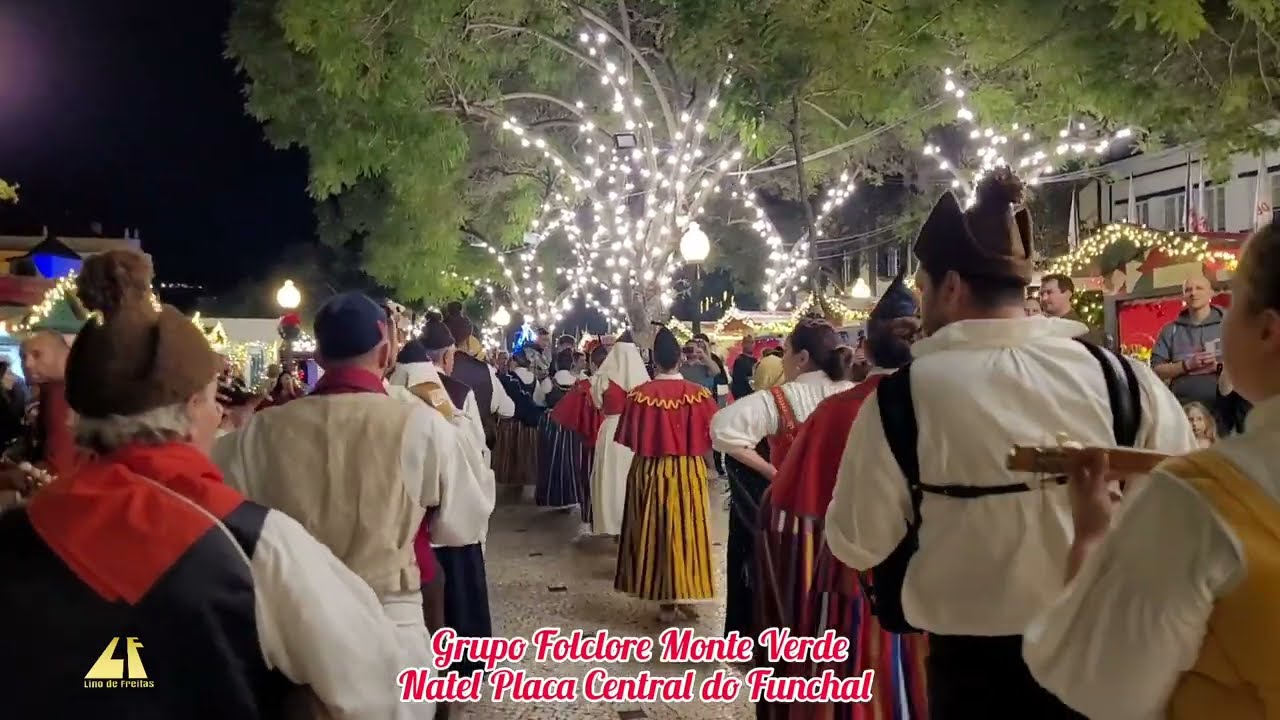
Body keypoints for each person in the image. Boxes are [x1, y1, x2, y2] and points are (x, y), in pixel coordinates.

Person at [824, 168, 1197, 718]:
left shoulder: (903, 399)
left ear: (950, 286)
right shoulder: (1120, 377)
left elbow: (858, 542)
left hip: (973, 674)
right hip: (1108, 653)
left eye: (923, 288)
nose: (922, 303)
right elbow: (1186, 507)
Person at [0, 249, 419, 719]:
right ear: (190, 409)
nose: (221, 412)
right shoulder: (253, 544)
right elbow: (383, 690)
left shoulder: (15, 535)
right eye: (211, 398)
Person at [1023, 222, 1280, 719]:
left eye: (1234, 300)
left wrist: (1092, 539)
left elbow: (1098, 684)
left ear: (1268, 330)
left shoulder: (1199, 500)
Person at [213, 291, 489, 707]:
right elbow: (462, 524)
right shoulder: (420, 425)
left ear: (319, 356)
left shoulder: (259, 432)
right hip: (391, 624)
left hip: (294, 632)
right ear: (385, 352)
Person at [755, 271, 928, 720]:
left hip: (857, 573)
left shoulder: (840, 408)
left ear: (865, 350)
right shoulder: (946, 399)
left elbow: (788, 497)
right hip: (937, 574)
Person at [711, 318, 855, 639]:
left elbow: (722, 430)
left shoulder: (780, 399)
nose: (783, 360)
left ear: (802, 358)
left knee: (795, 599)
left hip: (796, 521)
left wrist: (773, 473)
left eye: (786, 352)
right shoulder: (855, 394)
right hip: (849, 519)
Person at [387, 325, 495, 686]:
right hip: (448, 519)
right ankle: (461, 667)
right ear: (447, 357)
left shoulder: (384, 394)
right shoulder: (455, 394)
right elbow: (476, 448)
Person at [613, 325, 718, 622]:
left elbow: (630, 439)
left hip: (649, 469)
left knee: (655, 531)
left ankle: (665, 599)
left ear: (654, 360)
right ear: (681, 360)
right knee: (688, 531)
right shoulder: (699, 395)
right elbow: (712, 439)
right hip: (688, 471)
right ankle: (686, 591)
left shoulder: (639, 396)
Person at [585, 333, 649, 538]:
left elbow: (597, 404)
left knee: (612, 477)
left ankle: (613, 524)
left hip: (612, 430)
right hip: (637, 432)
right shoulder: (644, 382)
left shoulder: (603, 378)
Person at [550, 344, 608, 537]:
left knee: (588, 478)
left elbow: (564, 414)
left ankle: (589, 519)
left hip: (590, 441)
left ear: (592, 363)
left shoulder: (585, 386)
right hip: (617, 440)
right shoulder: (620, 384)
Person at [1151, 273, 1226, 423]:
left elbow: (1249, 365)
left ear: (1211, 292)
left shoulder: (1229, 325)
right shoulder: (1170, 330)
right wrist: (1187, 365)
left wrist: (1217, 367)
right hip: (1182, 413)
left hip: (1224, 411)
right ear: (1183, 296)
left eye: (1199, 288)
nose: (1193, 293)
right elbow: (1155, 370)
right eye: (1188, 290)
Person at [449, 316, 513, 454]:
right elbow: (507, 410)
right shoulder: (484, 370)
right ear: (468, 340)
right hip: (475, 451)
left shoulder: (430, 368)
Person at [534, 348, 582, 510]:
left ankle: (551, 496)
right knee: (572, 459)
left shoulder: (548, 382)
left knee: (551, 459)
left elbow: (539, 401)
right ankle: (572, 495)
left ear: (556, 363)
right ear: (572, 364)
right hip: (572, 423)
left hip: (552, 424)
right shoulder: (578, 381)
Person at [730, 334, 758, 400]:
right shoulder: (740, 361)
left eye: (752, 342)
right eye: (747, 342)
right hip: (743, 396)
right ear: (743, 344)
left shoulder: (755, 361)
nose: (750, 345)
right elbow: (738, 382)